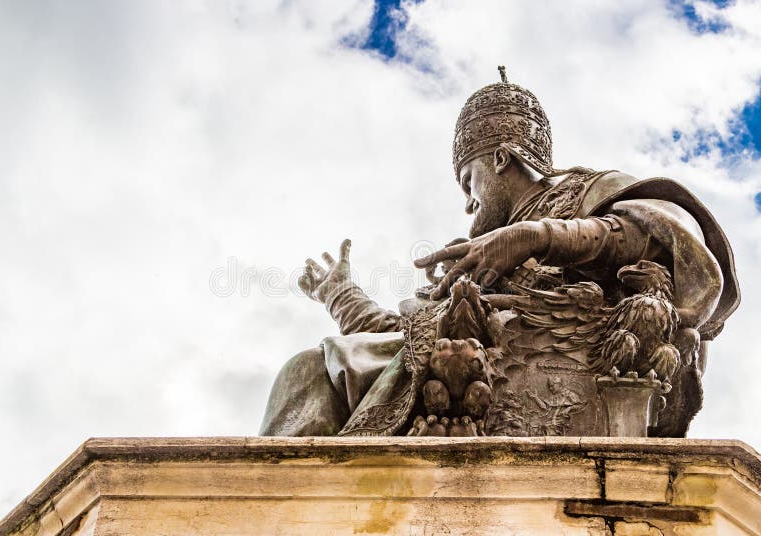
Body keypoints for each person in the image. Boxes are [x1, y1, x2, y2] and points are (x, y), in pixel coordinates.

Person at [259, 69, 739, 438]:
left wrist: (531, 236)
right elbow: (410, 338)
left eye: (469, 182)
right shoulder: (478, 261)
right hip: (463, 365)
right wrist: (341, 296)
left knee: (316, 373)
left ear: (500, 159)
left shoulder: (591, 189)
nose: (468, 203)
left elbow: (668, 240)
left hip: (562, 364)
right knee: (308, 370)